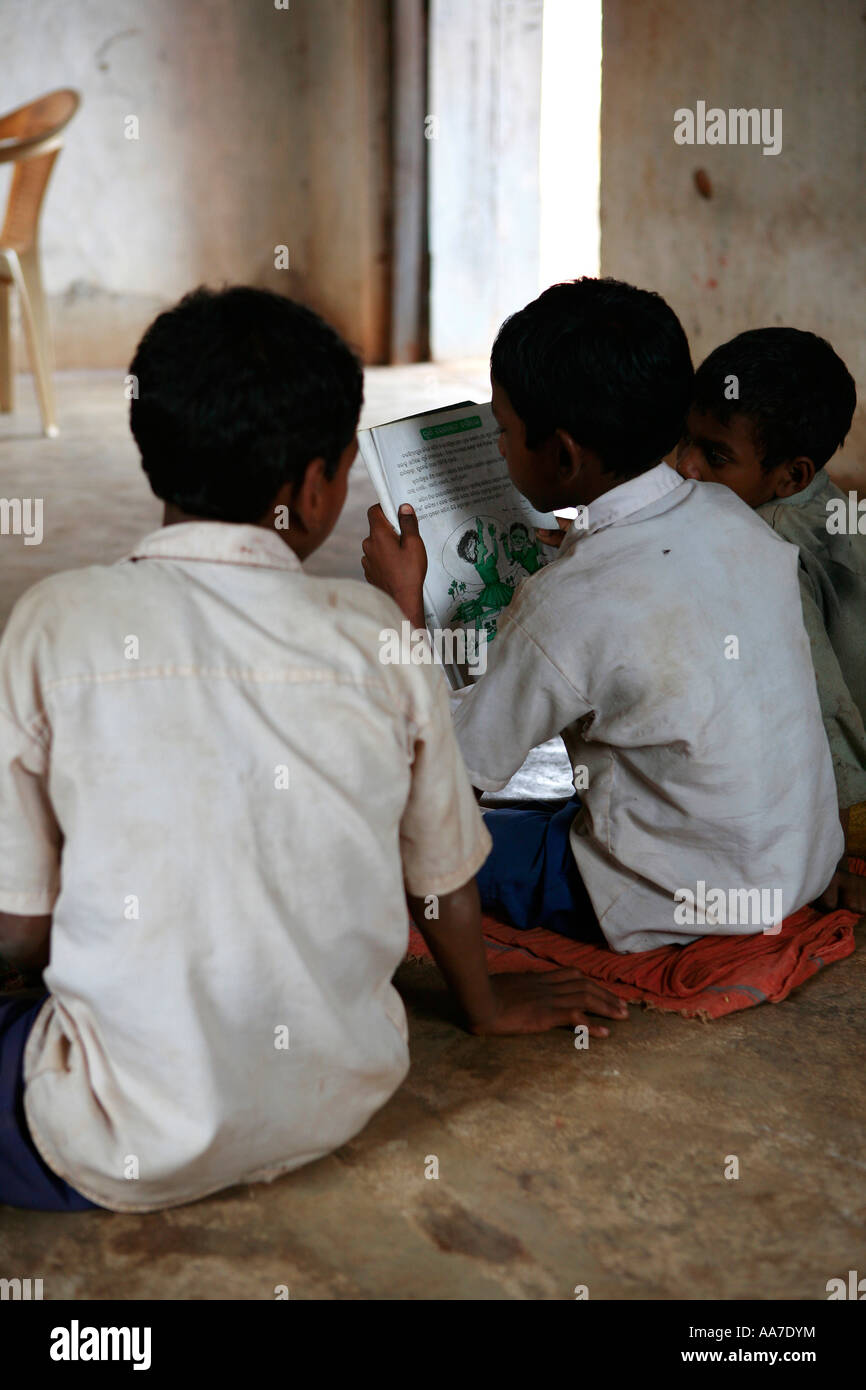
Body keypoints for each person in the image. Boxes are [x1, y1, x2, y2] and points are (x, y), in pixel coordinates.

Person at [0, 287, 626, 1214]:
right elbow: (444, 876)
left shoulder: (55, 621)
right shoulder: (378, 633)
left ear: (150, 451)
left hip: (106, 1140)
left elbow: (17, 927)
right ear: (320, 485)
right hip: (339, 1099)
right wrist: (485, 1007)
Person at [362, 278, 842, 953]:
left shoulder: (567, 603)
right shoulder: (735, 516)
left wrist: (404, 608)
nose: (495, 445)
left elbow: (450, 775)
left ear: (562, 454)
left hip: (677, 900)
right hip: (796, 862)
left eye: (501, 431)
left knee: (375, 828)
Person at [675, 327, 866, 911]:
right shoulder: (831, 504)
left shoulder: (765, 552)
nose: (685, 466)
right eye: (685, 439)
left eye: (715, 455)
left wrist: (828, 841)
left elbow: (819, 699)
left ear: (791, 476)